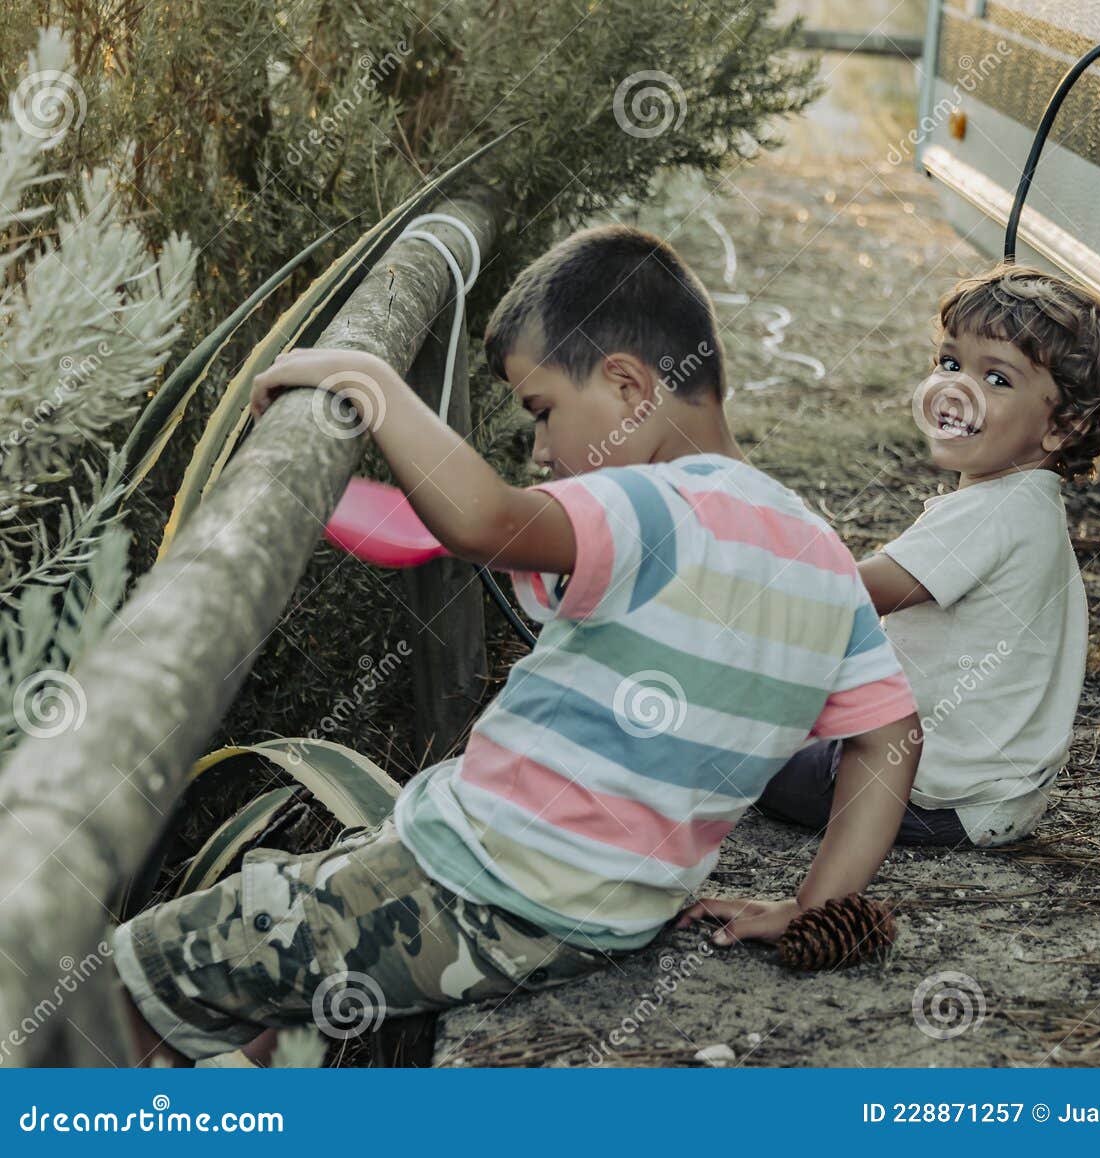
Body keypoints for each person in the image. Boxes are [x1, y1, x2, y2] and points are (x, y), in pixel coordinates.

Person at [112, 224, 920, 1064]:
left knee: (132, 974)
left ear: (630, 388)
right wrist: (819, 905)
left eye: (543, 413)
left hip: (475, 888)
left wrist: (374, 384)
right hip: (610, 915)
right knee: (279, 1028)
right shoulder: (821, 552)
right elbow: (893, 738)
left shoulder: (649, 502)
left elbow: (485, 520)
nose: (540, 448)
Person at [757, 264, 1100, 848]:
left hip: (926, 791)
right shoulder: (1030, 505)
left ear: (1063, 425)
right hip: (994, 795)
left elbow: (850, 594)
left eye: (998, 380)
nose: (957, 390)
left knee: (751, 740)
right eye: (951, 364)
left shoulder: (989, 514)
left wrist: (754, 566)